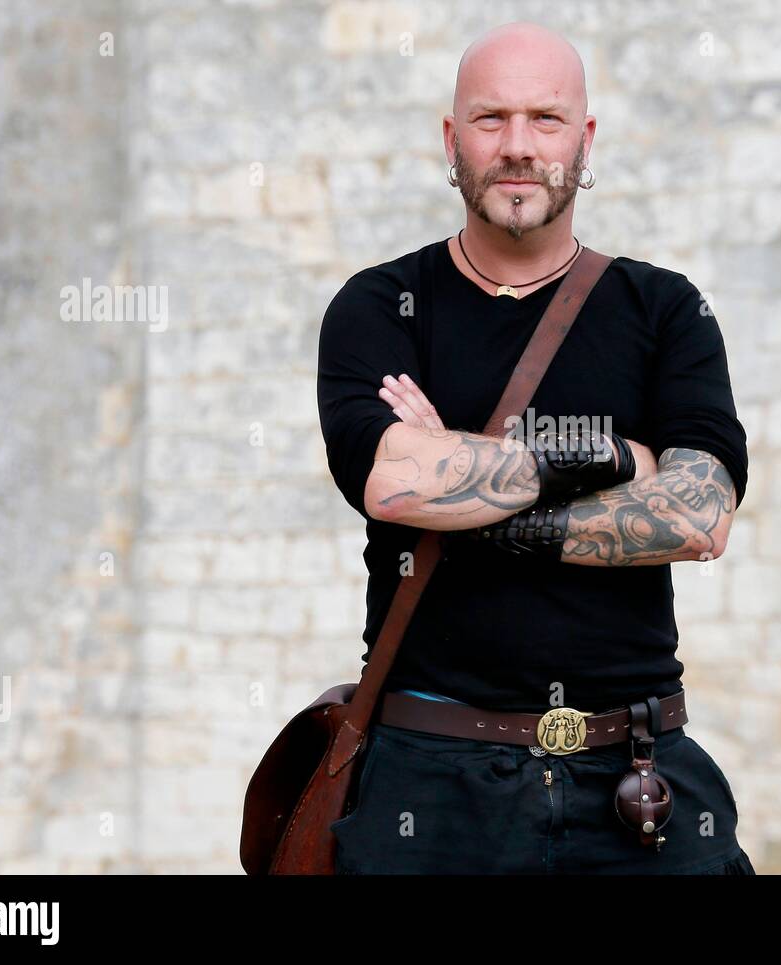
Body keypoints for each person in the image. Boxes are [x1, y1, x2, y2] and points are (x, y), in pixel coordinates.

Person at [316, 21, 753, 874]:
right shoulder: (379, 306)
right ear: (452, 140)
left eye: (545, 119)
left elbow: (699, 515)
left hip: (638, 783)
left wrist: (473, 480)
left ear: (584, 141)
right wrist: (616, 457)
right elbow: (398, 484)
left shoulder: (665, 311)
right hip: (431, 784)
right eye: (490, 120)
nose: (517, 147)